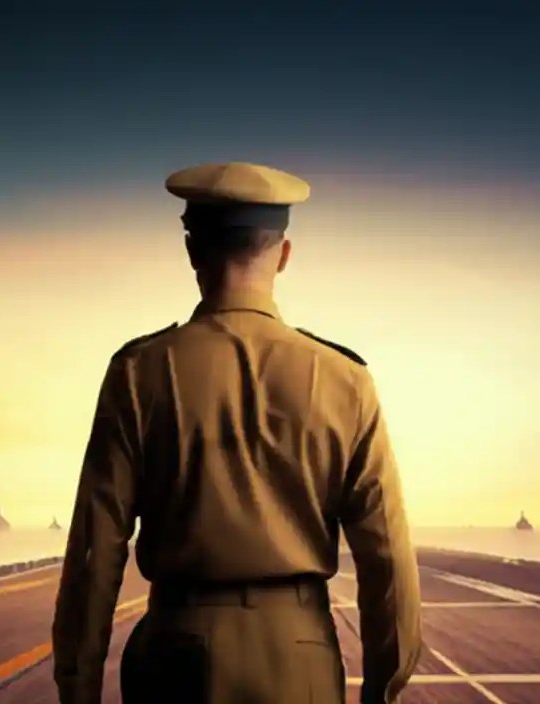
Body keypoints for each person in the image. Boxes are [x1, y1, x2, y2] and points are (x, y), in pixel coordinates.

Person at [52, 161, 422, 704]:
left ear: (192, 251)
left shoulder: (139, 372)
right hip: (302, 661)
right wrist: (383, 694)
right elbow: (387, 558)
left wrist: (77, 689)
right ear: (284, 254)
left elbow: (95, 552)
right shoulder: (345, 381)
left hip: (176, 659)